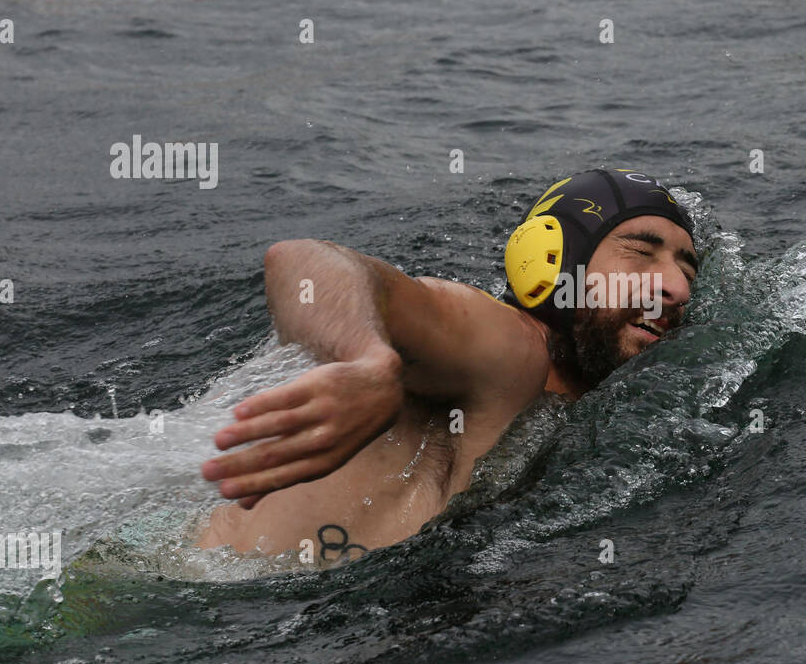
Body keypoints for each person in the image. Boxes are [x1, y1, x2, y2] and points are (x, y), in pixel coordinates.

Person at [195, 169, 699, 562]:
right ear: (552, 261)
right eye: (639, 252)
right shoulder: (507, 346)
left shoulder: (579, 410)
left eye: (686, 269)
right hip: (217, 612)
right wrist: (369, 362)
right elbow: (302, 261)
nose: (676, 287)